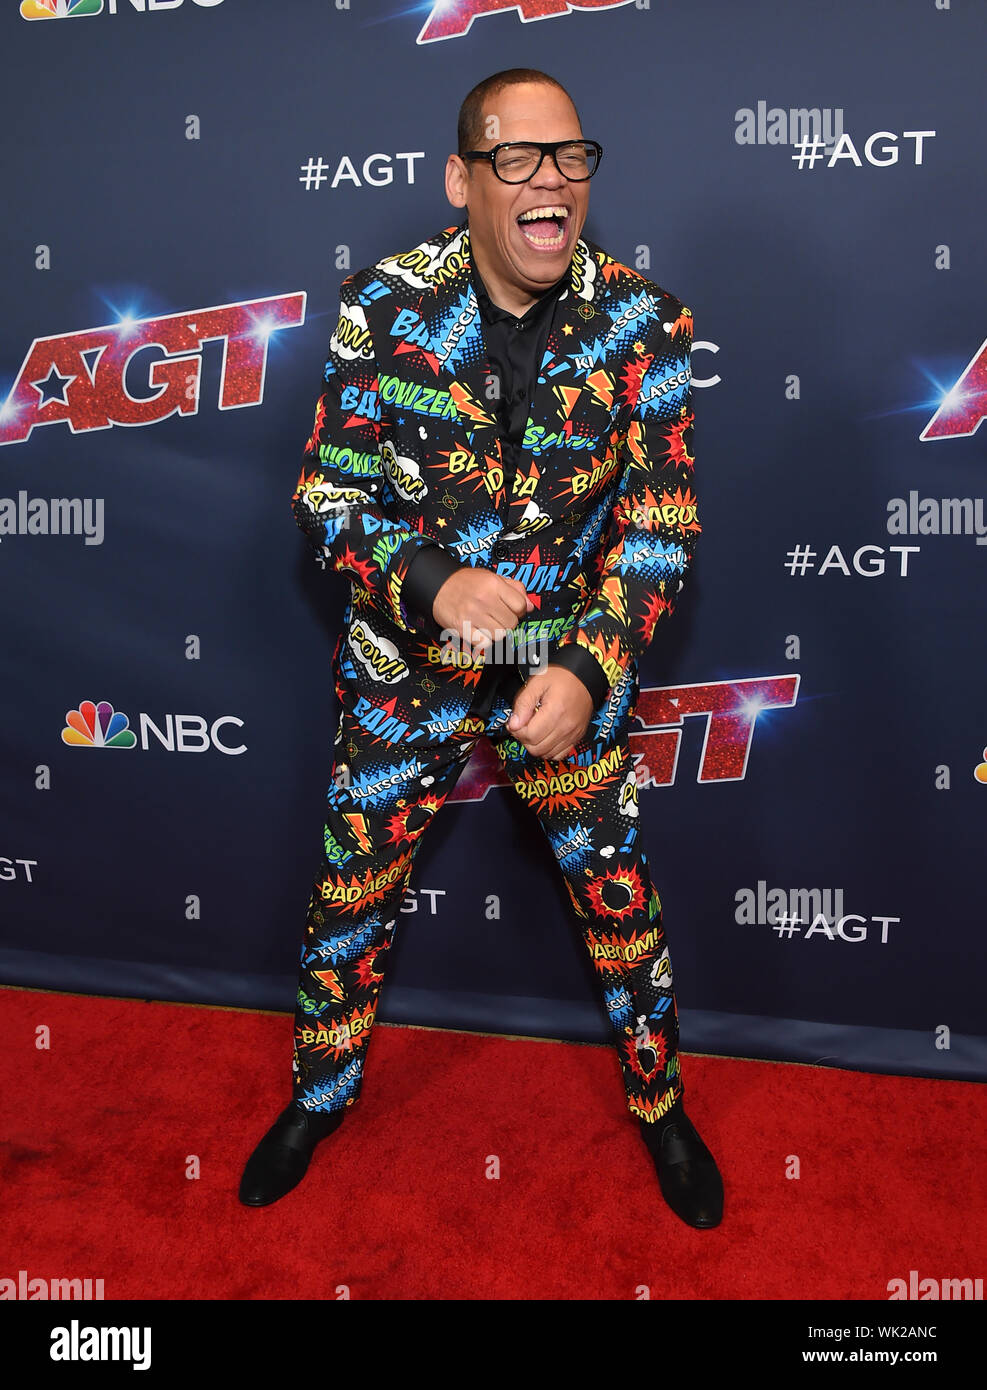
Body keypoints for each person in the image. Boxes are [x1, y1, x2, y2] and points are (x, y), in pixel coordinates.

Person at [239, 67, 723, 1229]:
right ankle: (320, 1092)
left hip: (565, 663)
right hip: (407, 664)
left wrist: (591, 667)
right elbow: (328, 498)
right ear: (464, 180)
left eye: (570, 157)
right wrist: (432, 581)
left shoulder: (649, 324)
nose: (550, 179)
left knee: (620, 899)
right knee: (349, 896)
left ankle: (660, 1104)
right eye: (517, 158)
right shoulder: (383, 306)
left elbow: (660, 529)